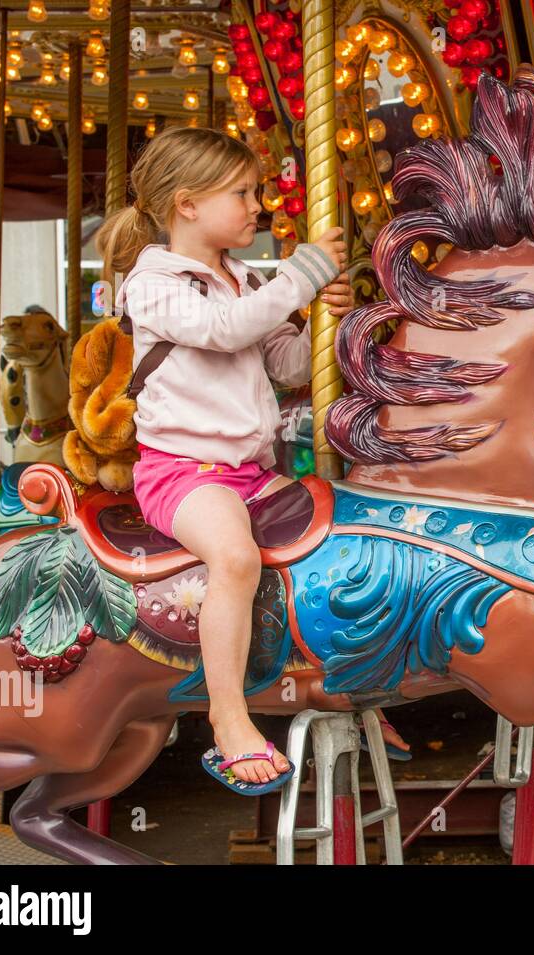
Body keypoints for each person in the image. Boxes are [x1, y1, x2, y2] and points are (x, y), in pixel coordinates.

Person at [94, 126, 389, 791]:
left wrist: (321, 324)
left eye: (256, 191)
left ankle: (346, 682)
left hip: (252, 472)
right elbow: (222, 330)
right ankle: (228, 718)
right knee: (234, 557)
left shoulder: (246, 278)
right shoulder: (154, 281)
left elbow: (284, 365)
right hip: (181, 473)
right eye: (243, 193)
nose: (257, 205)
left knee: (337, 533)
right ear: (187, 204)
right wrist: (300, 277)